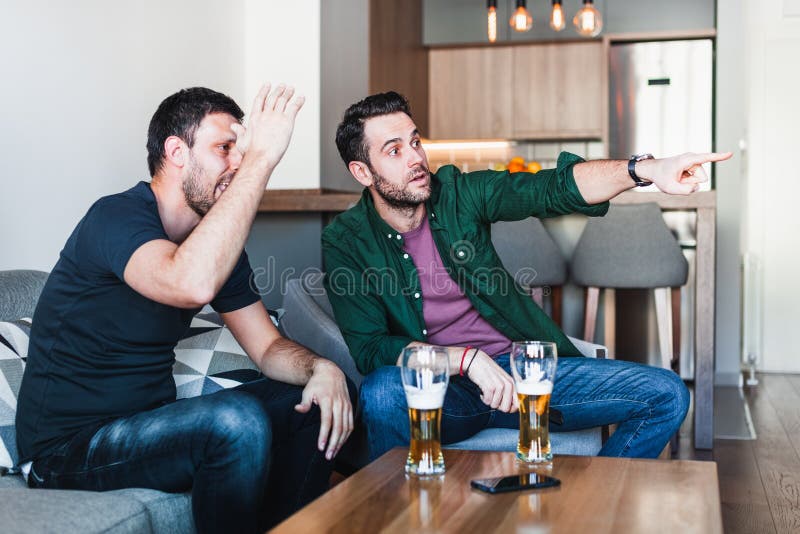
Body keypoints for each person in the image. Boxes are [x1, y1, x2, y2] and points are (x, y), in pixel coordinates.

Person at [16, 84, 354, 533]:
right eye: (225, 148)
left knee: (320, 397)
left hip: (150, 423)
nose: (237, 161)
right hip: (67, 449)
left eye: (242, 149)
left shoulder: (215, 245)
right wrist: (260, 160)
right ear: (176, 151)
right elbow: (189, 282)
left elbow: (268, 347)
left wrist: (321, 369)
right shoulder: (115, 217)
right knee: (235, 421)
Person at [323, 91, 731, 462]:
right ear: (362, 171)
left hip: (527, 377)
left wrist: (646, 169)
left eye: (415, 142)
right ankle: (402, 517)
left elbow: (551, 188)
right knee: (381, 392)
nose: (415, 158)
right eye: (394, 151)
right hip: (449, 393)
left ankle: (594, 506)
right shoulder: (346, 241)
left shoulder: (459, 193)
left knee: (668, 395)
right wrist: (464, 360)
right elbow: (372, 350)